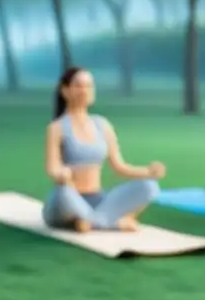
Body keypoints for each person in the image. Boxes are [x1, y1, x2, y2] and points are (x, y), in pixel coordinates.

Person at [42, 66, 164, 233]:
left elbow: (120, 166)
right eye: (78, 85)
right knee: (64, 193)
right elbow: (52, 167)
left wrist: (149, 171)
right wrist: (61, 173)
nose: (84, 90)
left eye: (89, 86)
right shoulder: (57, 128)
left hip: (98, 199)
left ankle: (89, 222)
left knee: (149, 186)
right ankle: (110, 222)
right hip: (68, 199)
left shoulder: (102, 125)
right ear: (65, 90)